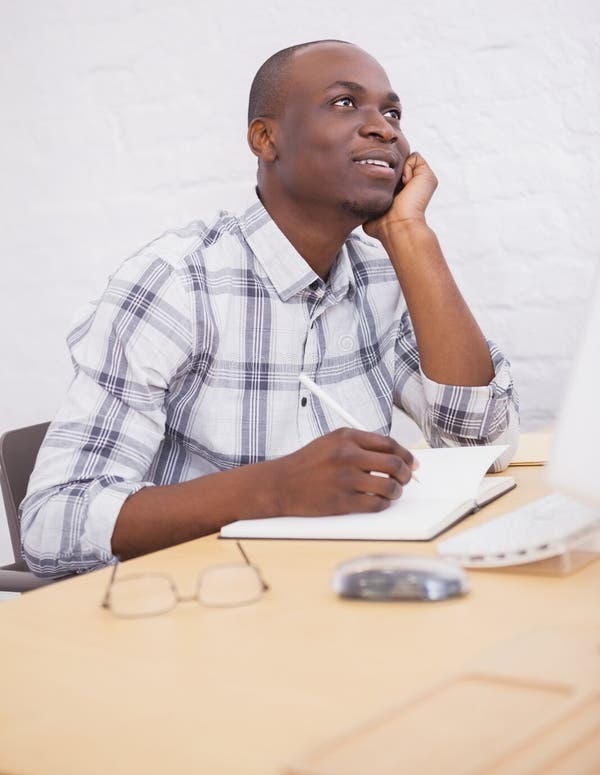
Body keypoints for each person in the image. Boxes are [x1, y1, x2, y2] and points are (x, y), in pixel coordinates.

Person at [21, 40, 519, 577]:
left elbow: (482, 444)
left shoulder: (382, 276)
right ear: (266, 139)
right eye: (345, 103)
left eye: (392, 112)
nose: (385, 129)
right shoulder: (175, 283)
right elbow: (52, 523)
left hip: (339, 584)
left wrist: (411, 235)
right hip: (204, 605)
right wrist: (275, 488)